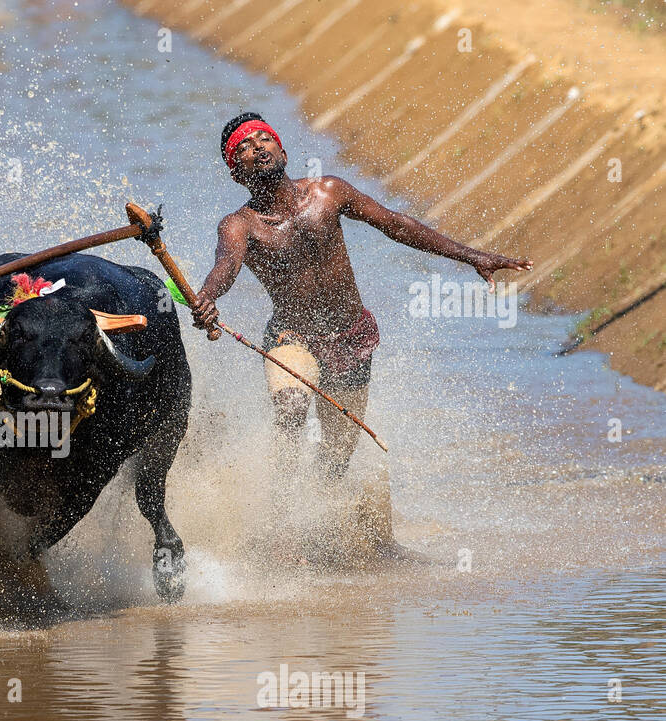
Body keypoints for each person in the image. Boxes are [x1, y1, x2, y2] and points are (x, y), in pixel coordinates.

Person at [190, 112, 533, 479]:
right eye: (244, 146)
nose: (257, 147)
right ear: (235, 173)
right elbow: (225, 266)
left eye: (263, 138)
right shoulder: (240, 224)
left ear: (283, 152)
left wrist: (474, 256)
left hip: (351, 338)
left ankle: (330, 514)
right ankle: (283, 504)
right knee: (290, 409)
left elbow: (396, 225)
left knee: (337, 461)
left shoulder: (329, 192)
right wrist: (208, 296)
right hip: (291, 338)